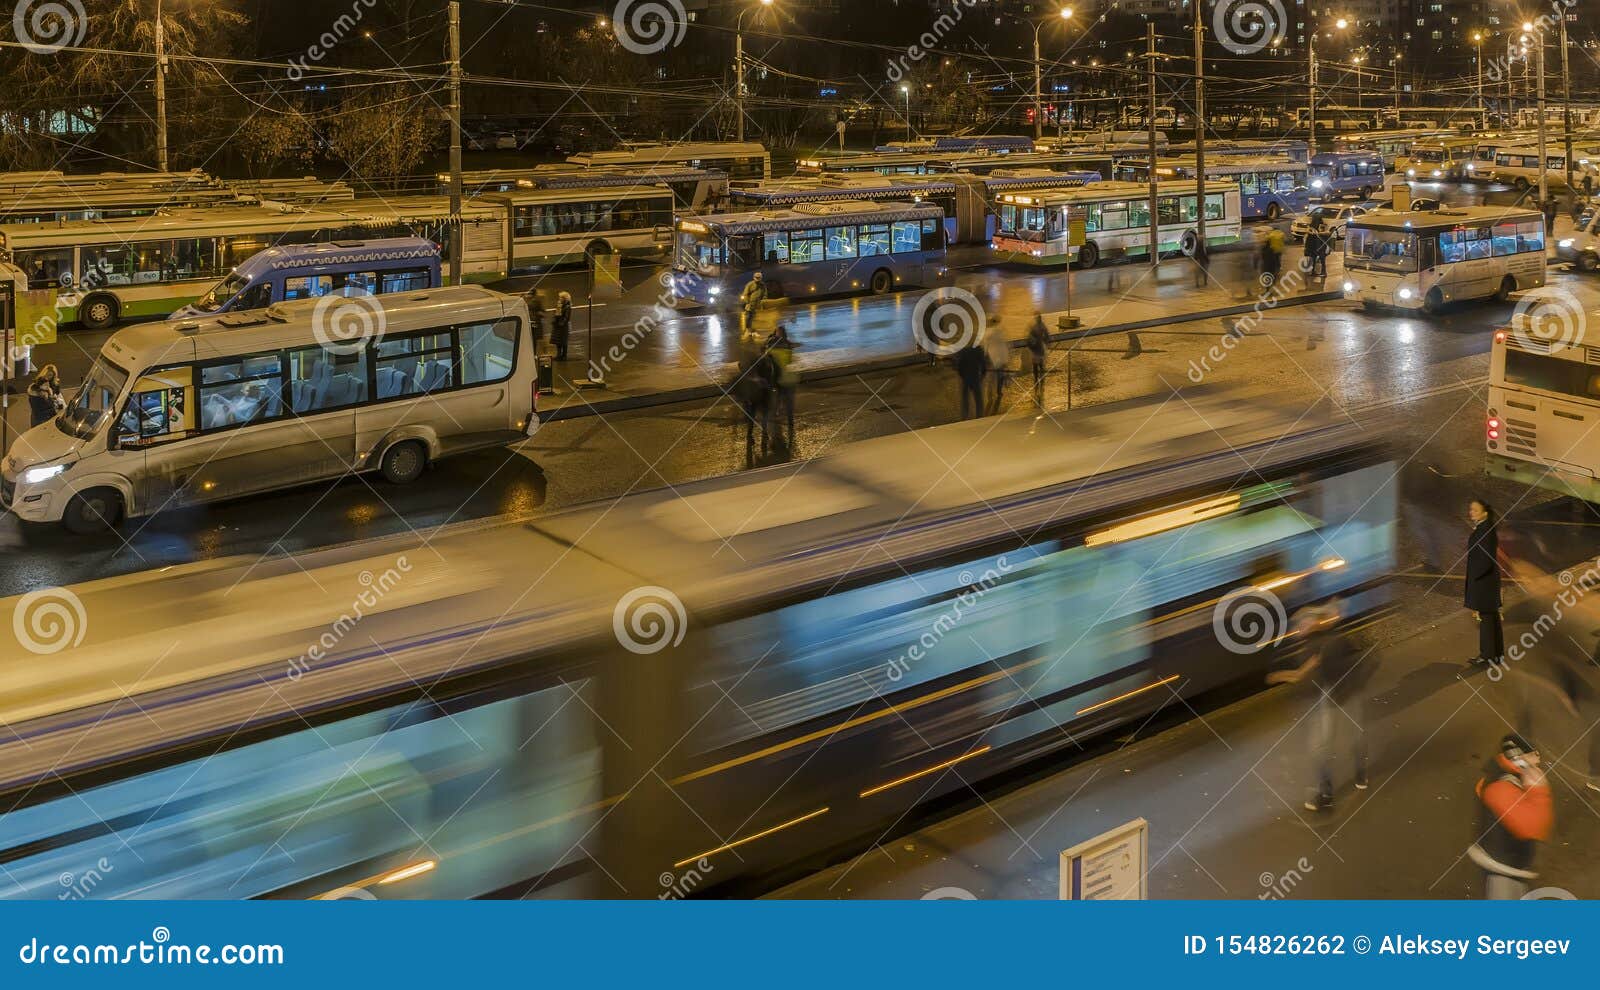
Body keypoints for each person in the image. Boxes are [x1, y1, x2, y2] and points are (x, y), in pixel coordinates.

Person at [1267, 602, 1369, 812]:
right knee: (1354, 735)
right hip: (1349, 694)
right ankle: (1360, 775)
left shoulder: (1315, 646)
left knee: (1320, 747)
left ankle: (1326, 793)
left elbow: (1300, 675)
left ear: (1312, 624)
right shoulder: (1333, 638)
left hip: (1333, 698)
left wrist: (1277, 676)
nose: (1297, 629)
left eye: (1301, 625)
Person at [1468, 733, 1553, 900]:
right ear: (1517, 757)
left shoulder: (1506, 775)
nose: (1538, 760)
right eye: (1533, 755)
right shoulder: (1501, 788)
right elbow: (1534, 828)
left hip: (1510, 864)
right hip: (1502, 868)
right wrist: (1538, 790)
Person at [1465, 498, 1504, 665]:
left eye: (1474, 510)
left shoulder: (1485, 530)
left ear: (1484, 513)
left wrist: (1474, 578)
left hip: (1483, 582)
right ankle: (1496, 654)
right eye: (1471, 509)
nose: (1471, 512)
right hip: (1487, 581)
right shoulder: (1486, 527)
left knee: (1486, 620)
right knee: (1492, 618)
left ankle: (1487, 655)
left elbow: (1485, 560)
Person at [764, 324, 798, 447]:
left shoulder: (770, 347)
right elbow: (789, 361)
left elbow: (766, 360)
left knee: (777, 397)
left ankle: (775, 417)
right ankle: (789, 419)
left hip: (775, 379)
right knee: (788, 400)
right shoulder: (788, 346)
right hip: (787, 378)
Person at [982, 319, 1011, 415]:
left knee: (990, 379)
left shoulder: (987, 333)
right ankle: (999, 391)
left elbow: (985, 347)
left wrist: (985, 355)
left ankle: (990, 395)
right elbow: (1005, 346)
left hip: (992, 358)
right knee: (1000, 376)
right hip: (1000, 358)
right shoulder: (1000, 332)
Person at [954, 341, 987, 420]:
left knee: (965, 398)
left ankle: (965, 415)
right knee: (978, 398)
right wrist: (982, 376)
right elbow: (983, 365)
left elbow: (960, 366)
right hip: (975, 377)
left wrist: (963, 376)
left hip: (966, 378)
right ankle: (979, 415)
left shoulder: (964, 351)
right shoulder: (979, 350)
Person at [1026, 313, 1049, 406]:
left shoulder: (1033, 328)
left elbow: (1029, 340)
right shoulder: (1043, 327)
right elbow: (1047, 338)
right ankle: (1041, 382)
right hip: (1041, 351)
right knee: (1041, 367)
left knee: (1035, 369)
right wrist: (1046, 343)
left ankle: (1036, 383)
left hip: (1035, 352)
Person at [739, 273, 767, 339]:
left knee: (755, 318)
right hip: (750, 304)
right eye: (756, 277)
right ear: (754, 277)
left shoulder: (762, 285)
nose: (757, 279)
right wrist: (747, 302)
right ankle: (747, 331)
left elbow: (765, 294)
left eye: (759, 278)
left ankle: (753, 332)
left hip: (758, 304)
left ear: (761, 278)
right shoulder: (750, 284)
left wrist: (763, 301)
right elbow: (745, 294)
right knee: (749, 317)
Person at [553, 291, 572, 361]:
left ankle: (564, 356)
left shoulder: (567, 306)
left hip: (563, 326)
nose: (559, 298)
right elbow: (556, 314)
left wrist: (562, 323)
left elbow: (567, 317)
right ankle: (558, 355)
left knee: (563, 341)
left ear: (565, 298)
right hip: (558, 325)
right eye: (559, 297)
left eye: (561, 297)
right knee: (558, 341)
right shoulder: (559, 305)